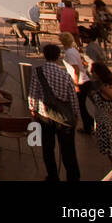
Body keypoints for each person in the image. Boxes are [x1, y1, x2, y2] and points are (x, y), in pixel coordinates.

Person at [28, 43, 81, 181]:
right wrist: (75, 115)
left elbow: (33, 93)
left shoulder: (38, 72)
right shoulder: (65, 75)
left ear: (45, 56)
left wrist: (33, 109)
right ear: (58, 57)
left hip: (44, 116)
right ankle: (73, 178)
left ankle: (52, 176)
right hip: (64, 118)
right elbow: (73, 98)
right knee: (68, 152)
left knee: (48, 149)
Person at [87, 62, 112, 164]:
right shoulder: (105, 86)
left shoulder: (104, 88)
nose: (91, 73)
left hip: (108, 125)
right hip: (105, 123)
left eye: (93, 71)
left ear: (98, 73)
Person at [59, 32, 96, 134]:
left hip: (80, 82)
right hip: (85, 80)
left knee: (81, 107)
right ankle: (88, 126)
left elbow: (76, 69)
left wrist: (75, 85)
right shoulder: (73, 50)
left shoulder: (69, 53)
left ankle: (90, 124)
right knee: (81, 106)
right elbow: (83, 64)